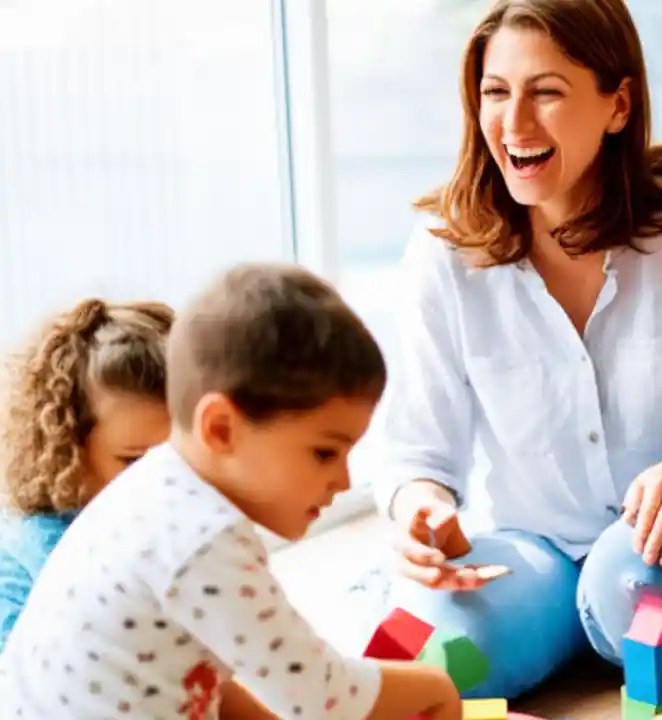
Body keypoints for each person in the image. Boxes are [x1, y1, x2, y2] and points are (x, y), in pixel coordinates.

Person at [372, 0, 662, 698]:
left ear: (618, 105)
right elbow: (417, 457)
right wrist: (420, 509)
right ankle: (571, 623)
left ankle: (612, 632)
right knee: (434, 639)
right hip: (540, 555)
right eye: (496, 93)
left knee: (628, 581)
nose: (514, 124)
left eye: (546, 93)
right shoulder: (442, 257)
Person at [0, 265, 461, 720]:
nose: (343, 481)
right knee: (425, 690)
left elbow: (206, 679)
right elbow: (325, 701)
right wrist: (434, 690)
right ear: (220, 429)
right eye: (324, 453)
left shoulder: (153, 488)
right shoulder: (202, 539)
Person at [0, 298, 173, 652]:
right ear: (68, 452)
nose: (169, 484)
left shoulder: (166, 533)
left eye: (183, 461)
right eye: (134, 462)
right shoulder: (33, 566)